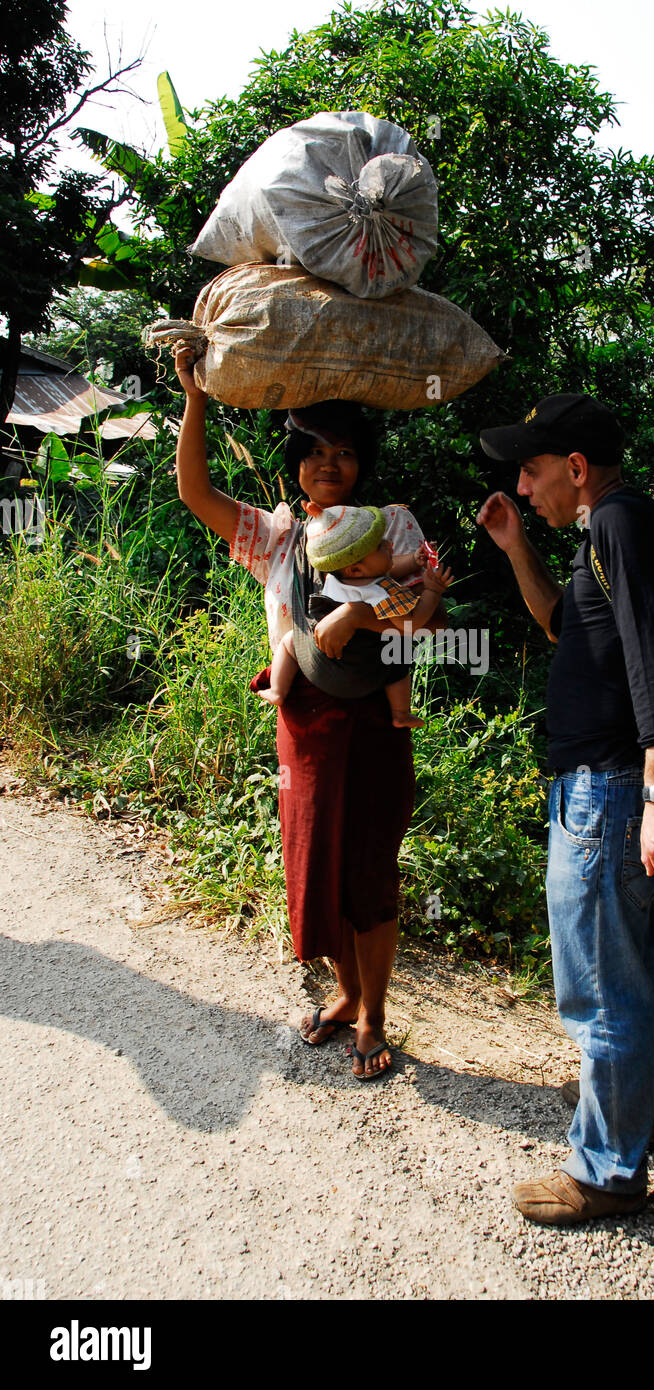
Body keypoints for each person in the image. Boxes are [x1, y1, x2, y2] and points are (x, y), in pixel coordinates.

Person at [173, 343, 446, 1079]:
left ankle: (376, 1015)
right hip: (305, 725)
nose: (331, 464)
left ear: (363, 465)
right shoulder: (277, 536)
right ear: (296, 461)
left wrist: (357, 620)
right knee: (315, 863)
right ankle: (347, 993)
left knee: (370, 869)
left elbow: (430, 624)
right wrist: (196, 398)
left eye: (347, 452)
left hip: (377, 720)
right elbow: (196, 493)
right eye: (317, 451)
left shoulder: (391, 526)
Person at [476, 393, 654, 1222]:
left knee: (602, 985)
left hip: (613, 790)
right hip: (599, 789)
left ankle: (607, 1171)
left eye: (532, 474)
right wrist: (514, 545)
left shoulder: (619, 524)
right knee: (619, 974)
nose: (524, 488)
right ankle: (626, 1134)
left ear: (576, 469)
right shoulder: (600, 536)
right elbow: (559, 629)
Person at [259, 502, 452, 727]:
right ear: (356, 569)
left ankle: (277, 690)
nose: (390, 544)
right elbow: (412, 623)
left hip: (321, 671)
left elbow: (383, 570)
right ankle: (400, 713)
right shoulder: (381, 594)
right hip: (364, 673)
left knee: (289, 641)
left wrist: (412, 560)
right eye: (381, 546)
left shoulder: (337, 578)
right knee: (399, 658)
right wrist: (433, 591)